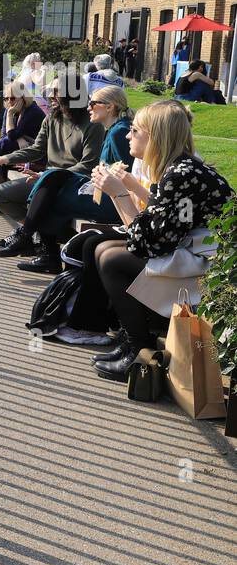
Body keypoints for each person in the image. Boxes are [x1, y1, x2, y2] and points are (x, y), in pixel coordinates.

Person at [83, 100, 234, 380]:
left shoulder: (183, 173)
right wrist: (124, 187)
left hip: (216, 269)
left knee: (113, 259)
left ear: (154, 137)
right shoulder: (179, 168)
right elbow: (153, 228)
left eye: (135, 131)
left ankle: (140, 350)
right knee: (104, 248)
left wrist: (120, 193)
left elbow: (146, 243)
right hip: (200, 255)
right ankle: (132, 341)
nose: (128, 136)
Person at [0, 86, 135, 273]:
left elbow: (126, 175)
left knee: (52, 191)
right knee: (51, 180)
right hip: (104, 191)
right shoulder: (114, 129)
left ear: (110, 107)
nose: (89, 107)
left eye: (93, 104)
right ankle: (37, 245)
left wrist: (100, 174)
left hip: (114, 201)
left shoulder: (119, 132)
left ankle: (40, 248)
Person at [0, 77, 105, 247]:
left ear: (72, 94)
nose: (50, 95)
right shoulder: (52, 118)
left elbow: (87, 165)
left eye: (56, 91)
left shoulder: (92, 125)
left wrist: (48, 175)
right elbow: (37, 149)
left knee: (40, 200)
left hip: (74, 182)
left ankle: (31, 237)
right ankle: (33, 232)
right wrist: (3, 159)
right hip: (46, 179)